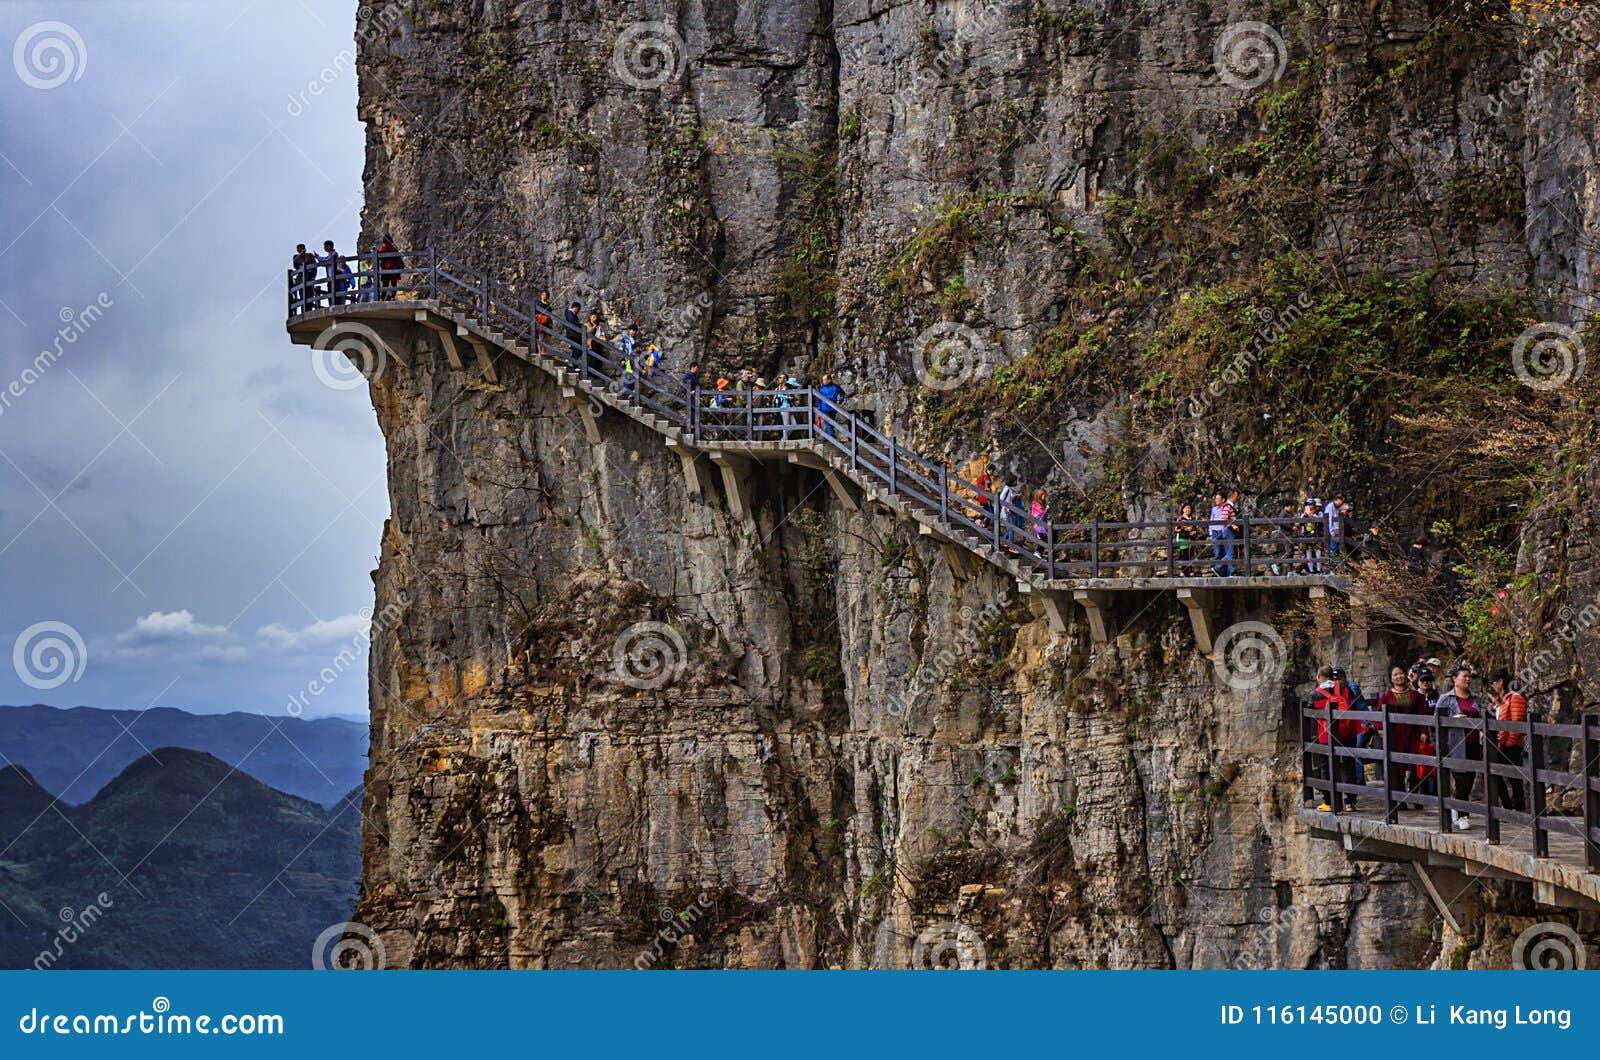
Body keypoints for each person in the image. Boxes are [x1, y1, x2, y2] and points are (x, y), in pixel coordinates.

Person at [1435, 664, 1482, 831]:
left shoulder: (1476, 698)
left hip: (1474, 744)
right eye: (1464, 676)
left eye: (1469, 676)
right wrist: (1452, 718)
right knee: (1461, 781)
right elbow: (1436, 723)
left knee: (1469, 780)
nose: (1468, 679)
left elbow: (1484, 716)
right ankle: (1463, 816)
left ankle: (1456, 807)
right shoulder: (1446, 699)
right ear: (1455, 679)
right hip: (1455, 745)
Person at [1309, 664, 1360, 811]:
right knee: (1349, 765)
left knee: (1326, 767)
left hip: (1327, 735)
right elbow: (1353, 699)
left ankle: (1329, 802)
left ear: (1319, 677)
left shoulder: (1316, 694)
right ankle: (1350, 802)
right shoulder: (1344, 687)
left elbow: (1311, 709)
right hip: (1348, 731)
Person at [1377, 665, 1427, 805]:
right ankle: (1399, 799)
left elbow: (1422, 714)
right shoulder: (1387, 696)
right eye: (1395, 674)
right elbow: (1378, 714)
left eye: (1401, 673)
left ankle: (1415, 796)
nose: (1399, 676)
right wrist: (1381, 729)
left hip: (1413, 733)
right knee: (1396, 767)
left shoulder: (1416, 695)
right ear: (1391, 679)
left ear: (1406, 675)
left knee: (1415, 765)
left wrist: (1424, 731)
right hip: (1395, 735)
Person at [1488, 667, 1527, 813]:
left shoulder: (1515, 697)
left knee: (1514, 778)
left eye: (1493, 682)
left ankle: (1518, 807)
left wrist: (1509, 743)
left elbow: (1516, 723)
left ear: (1500, 682)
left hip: (1512, 744)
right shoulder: (1500, 699)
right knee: (1495, 774)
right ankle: (1507, 806)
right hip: (1501, 743)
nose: (1492, 686)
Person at [1208, 492, 1236, 577]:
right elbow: (1215, 520)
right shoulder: (1225, 507)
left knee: (1229, 552)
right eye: (1216, 498)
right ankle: (1219, 569)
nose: (1216, 500)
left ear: (1223, 499)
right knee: (1221, 552)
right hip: (1221, 531)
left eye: (1217, 498)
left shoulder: (1226, 507)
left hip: (1223, 530)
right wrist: (1233, 525)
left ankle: (1228, 571)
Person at [1173, 503, 1201, 575]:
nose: (1188, 510)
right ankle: (1185, 571)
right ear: (1183, 510)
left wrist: (1193, 532)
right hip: (1183, 538)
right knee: (1185, 555)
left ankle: (1189, 570)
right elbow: (1176, 529)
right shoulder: (1180, 519)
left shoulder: (1192, 519)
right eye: (1186, 508)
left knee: (1190, 555)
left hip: (1191, 539)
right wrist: (1185, 530)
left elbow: (1195, 529)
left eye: (1189, 508)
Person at [292, 243, 319, 311]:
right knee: (302, 297)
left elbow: (314, 266)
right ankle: (303, 311)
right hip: (301, 280)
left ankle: (309, 310)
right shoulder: (296, 257)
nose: (301, 250)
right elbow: (295, 264)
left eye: (302, 249)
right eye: (299, 249)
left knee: (310, 295)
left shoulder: (309, 255)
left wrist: (313, 276)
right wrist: (300, 255)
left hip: (309, 278)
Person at [817, 373, 844, 438]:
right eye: (823, 380)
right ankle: (831, 437)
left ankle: (827, 438)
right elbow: (818, 398)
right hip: (825, 408)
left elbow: (842, 394)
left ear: (829, 380)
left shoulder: (836, 387)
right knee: (828, 423)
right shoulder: (821, 388)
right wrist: (819, 407)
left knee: (830, 423)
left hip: (833, 408)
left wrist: (839, 400)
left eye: (824, 380)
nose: (823, 381)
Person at [318, 240, 344, 306]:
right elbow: (325, 262)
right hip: (331, 277)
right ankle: (332, 305)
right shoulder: (331, 255)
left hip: (334, 277)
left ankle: (335, 305)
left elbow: (327, 260)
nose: (324, 248)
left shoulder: (334, 254)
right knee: (330, 291)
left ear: (329, 247)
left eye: (325, 246)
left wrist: (318, 257)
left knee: (334, 291)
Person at [997, 477, 1018, 550]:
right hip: (1006, 510)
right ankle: (1011, 546)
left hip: (1008, 509)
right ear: (1012, 481)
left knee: (1010, 528)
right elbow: (1001, 498)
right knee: (1011, 528)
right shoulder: (1007, 489)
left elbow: (1008, 498)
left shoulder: (1009, 489)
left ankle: (1003, 541)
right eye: (1015, 481)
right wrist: (1005, 507)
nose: (1016, 482)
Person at [1031, 488, 1049, 560]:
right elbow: (1038, 515)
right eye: (1044, 496)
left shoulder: (1042, 503)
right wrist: (1046, 510)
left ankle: (1039, 553)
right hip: (1038, 525)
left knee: (1044, 539)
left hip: (1043, 524)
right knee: (1043, 539)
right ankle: (1037, 553)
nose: (1045, 497)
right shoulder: (1036, 504)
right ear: (1040, 495)